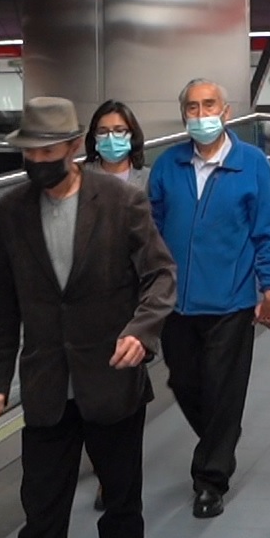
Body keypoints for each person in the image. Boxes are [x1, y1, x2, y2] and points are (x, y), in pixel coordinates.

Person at [0, 96, 177, 538]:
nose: (36, 159)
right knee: (42, 500)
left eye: (46, 148)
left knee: (121, 492)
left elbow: (161, 276)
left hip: (111, 371)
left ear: (71, 148)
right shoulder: (9, 213)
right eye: (28, 150)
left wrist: (142, 331)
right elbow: (1, 308)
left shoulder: (120, 201)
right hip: (45, 380)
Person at [150, 79, 270, 519]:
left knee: (224, 389)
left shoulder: (252, 164)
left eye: (209, 105)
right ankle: (221, 433)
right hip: (176, 303)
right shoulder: (168, 165)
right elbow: (148, 231)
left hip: (231, 301)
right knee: (185, 383)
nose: (201, 113)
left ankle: (210, 478)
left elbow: (267, 230)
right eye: (192, 106)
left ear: (226, 112)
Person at [82, 100, 149, 513]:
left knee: (126, 391)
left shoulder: (148, 181)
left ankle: (118, 477)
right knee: (93, 390)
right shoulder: (79, 180)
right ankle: (107, 471)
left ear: (132, 135)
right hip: (89, 303)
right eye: (103, 132)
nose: (111, 139)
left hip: (134, 299)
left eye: (119, 130)